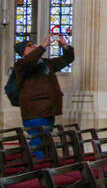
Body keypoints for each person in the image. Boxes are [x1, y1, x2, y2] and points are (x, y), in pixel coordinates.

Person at [12, 34, 74, 162]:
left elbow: (67, 59)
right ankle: (39, 168)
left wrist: (64, 45)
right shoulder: (21, 65)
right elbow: (29, 61)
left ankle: (40, 166)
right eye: (29, 46)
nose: (34, 46)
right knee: (39, 144)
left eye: (33, 44)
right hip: (35, 113)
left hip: (48, 110)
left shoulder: (46, 63)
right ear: (23, 52)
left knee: (45, 142)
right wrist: (44, 46)